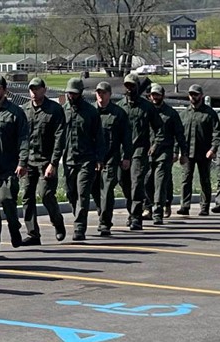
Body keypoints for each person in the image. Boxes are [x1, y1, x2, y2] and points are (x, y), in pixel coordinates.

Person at [0, 74, 29, 253]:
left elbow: (24, 138)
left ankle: (14, 227)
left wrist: (22, 161)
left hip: (8, 166)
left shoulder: (15, 112)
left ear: (4, 90)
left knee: (7, 199)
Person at [20, 77, 66, 245]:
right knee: (27, 196)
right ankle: (33, 234)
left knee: (45, 194)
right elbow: (21, 137)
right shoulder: (25, 110)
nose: (34, 92)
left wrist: (53, 163)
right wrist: (20, 161)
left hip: (46, 161)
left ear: (44, 90)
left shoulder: (54, 110)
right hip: (28, 161)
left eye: (37, 89)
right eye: (31, 89)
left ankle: (58, 222)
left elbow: (59, 137)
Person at [117, 73, 157, 231]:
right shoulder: (119, 106)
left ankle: (136, 217)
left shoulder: (147, 107)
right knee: (123, 182)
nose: (129, 89)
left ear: (137, 87)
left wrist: (154, 145)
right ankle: (131, 211)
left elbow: (159, 128)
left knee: (136, 184)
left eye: (132, 86)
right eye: (126, 86)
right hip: (122, 151)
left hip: (140, 150)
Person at [63, 77, 102, 241]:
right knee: (71, 193)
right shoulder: (62, 111)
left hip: (86, 159)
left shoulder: (91, 112)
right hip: (68, 160)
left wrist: (99, 158)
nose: (71, 96)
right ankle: (77, 214)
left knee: (83, 194)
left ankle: (79, 228)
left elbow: (99, 137)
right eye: (69, 93)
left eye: (74, 93)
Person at [92, 81, 132, 234]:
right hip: (94, 158)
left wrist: (126, 156)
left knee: (107, 189)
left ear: (109, 94)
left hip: (111, 157)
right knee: (95, 190)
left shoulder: (118, 113)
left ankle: (105, 223)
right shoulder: (90, 112)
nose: (100, 95)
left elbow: (126, 137)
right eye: (98, 92)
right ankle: (102, 212)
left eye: (103, 92)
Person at [144, 83, 185, 225]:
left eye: (157, 95)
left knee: (160, 182)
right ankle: (148, 207)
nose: (155, 97)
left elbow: (179, 134)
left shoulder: (171, 113)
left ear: (162, 96)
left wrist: (180, 152)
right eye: (153, 95)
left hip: (164, 153)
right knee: (146, 181)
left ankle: (158, 211)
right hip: (147, 153)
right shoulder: (146, 111)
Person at [177, 84, 220, 216]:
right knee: (186, 179)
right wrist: (178, 151)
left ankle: (204, 207)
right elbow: (178, 134)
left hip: (204, 152)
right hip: (187, 152)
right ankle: (185, 206)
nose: (193, 97)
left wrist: (213, 149)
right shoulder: (184, 114)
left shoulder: (210, 113)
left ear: (201, 96)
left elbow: (217, 133)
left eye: (195, 94)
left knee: (204, 180)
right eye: (191, 94)